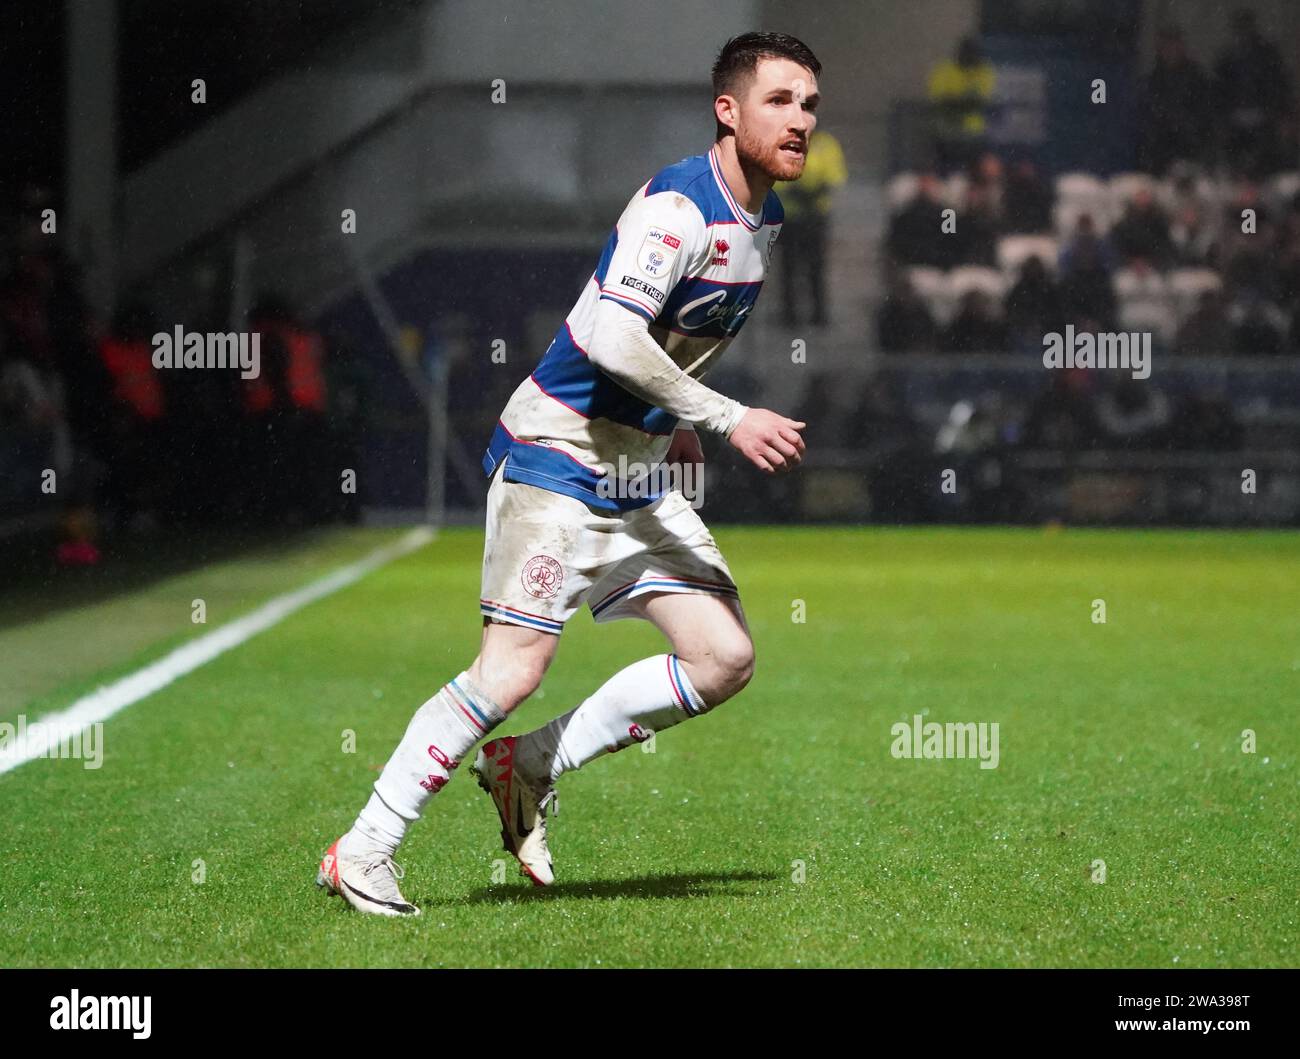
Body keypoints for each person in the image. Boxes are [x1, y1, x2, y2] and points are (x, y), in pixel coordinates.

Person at [318, 32, 817, 916]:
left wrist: (677, 416)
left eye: (810, 104)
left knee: (723, 656)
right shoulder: (678, 208)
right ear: (727, 110)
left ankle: (530, 764)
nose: (800, 120)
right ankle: (364, 848)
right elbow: (610, 336)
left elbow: (669, 339)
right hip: (560, 456)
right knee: (511, 670)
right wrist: (725, 415)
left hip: (636, 471)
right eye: (779, 100)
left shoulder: (763, 220)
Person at [775, 127, 847, 326]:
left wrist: (814, 192)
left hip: (816, 216)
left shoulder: (827, 144)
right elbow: (774, 175)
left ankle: (819, 314)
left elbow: (835, 176)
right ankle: (789, 315)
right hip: (791, 217)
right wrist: (794, 190)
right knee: (789, 267)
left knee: (816, 266)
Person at [927, 37, 996, 173]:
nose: (970, 57)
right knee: (944, 171)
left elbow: (981, 101)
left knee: (973, 172)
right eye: (967, 53)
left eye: (973, 54)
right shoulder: (944, 69)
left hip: (973, 133)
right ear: (959, 53)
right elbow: (939, 100)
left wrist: (955, 101)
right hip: (946, 131)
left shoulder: (984, 71)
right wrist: (965, 103)